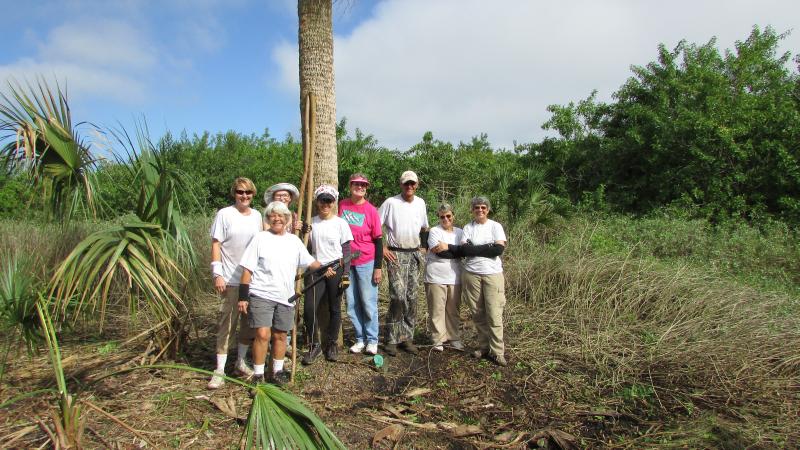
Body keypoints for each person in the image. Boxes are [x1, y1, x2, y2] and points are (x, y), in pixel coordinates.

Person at [237, 201, 326, 385]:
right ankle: (259, 374)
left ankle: (277, 372)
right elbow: (247, 270)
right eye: (273, 216)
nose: (277, 218)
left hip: (286, 297)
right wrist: (243, 297)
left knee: (280, 335)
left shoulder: (294, 241)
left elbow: (310, 262)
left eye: (281, 216)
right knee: (262, 334)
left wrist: (327, 268)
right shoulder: (260, 238)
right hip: (261, 294)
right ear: (268, 219)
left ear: (287, 219)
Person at [431, 196, 508, 366]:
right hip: (471, 274)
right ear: (472, 210)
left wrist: (478, 249)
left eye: (483, 207)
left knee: (494, 313)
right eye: (476, 208)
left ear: (488, 209)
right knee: (478, 313)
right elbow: (465, 250)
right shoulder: (468, 227)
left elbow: (498, 249)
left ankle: (497, 351)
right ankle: (484, 346)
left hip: (492, 274)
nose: (480, 210)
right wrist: (486, 247)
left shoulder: (495, 226)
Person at [208, 177, 263, 389]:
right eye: (241, 192)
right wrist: (217, 273)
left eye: (248, 192)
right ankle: (219, 369)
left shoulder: (257, 216)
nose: (245, 196)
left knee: (248, 323)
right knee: (227, 322)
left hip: (251, 279)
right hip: (230, 277)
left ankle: (240, 361)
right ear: (234, 193)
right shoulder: (225, 214)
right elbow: (216, 244)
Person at [379, 170, 429, 356]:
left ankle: (407, 338)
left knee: (412, 297)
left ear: (417, 185)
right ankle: (391, 339)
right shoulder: (391, 202)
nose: (409, 187)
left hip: (414, 254)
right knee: (397, 296)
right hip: (396, 255)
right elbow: (376, 225)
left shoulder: (421, 203)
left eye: (412, 184)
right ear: (401, 184)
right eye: (406, 183)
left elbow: (425, 227)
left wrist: (424, 247)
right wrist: (382, 248)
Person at [302, 185, 354, 364]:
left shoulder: (341, 223)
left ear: (334, 203)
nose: (325, 204)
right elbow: (306, 249)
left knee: (334, 308)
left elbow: (347, 250)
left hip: (335, 269)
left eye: (329, 201)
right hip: (316, 269)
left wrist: (345, 274)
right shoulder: (311, 223)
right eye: (322, 200)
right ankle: (314, 344)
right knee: (309, 309)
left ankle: (331, 344)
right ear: (317, 202)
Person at [338, 173, 383, 355]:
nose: (360, 187)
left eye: (363, 185)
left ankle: (372, 340)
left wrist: (378, 267)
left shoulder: (371, 210)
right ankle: (359, 338)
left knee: (368, 301)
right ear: (350, 186)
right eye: (356, 184)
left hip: (366, 261)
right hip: (347, 263)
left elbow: (379, 240)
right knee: (351, 302)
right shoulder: (342, 205)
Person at [425, 203, 464, 352]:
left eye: (448, 216)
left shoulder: (460, 232)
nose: (445, 219)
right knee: (437, 309)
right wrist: (457, 250)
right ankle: (438, 339)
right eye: (442, 217)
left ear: (453, 216)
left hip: (455, 276)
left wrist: (447, 246)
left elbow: (465, 251)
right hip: (435, 275)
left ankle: (454, 337)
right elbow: (440, 252)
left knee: (453, 309)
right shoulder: (434, 231)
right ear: (439, 218)